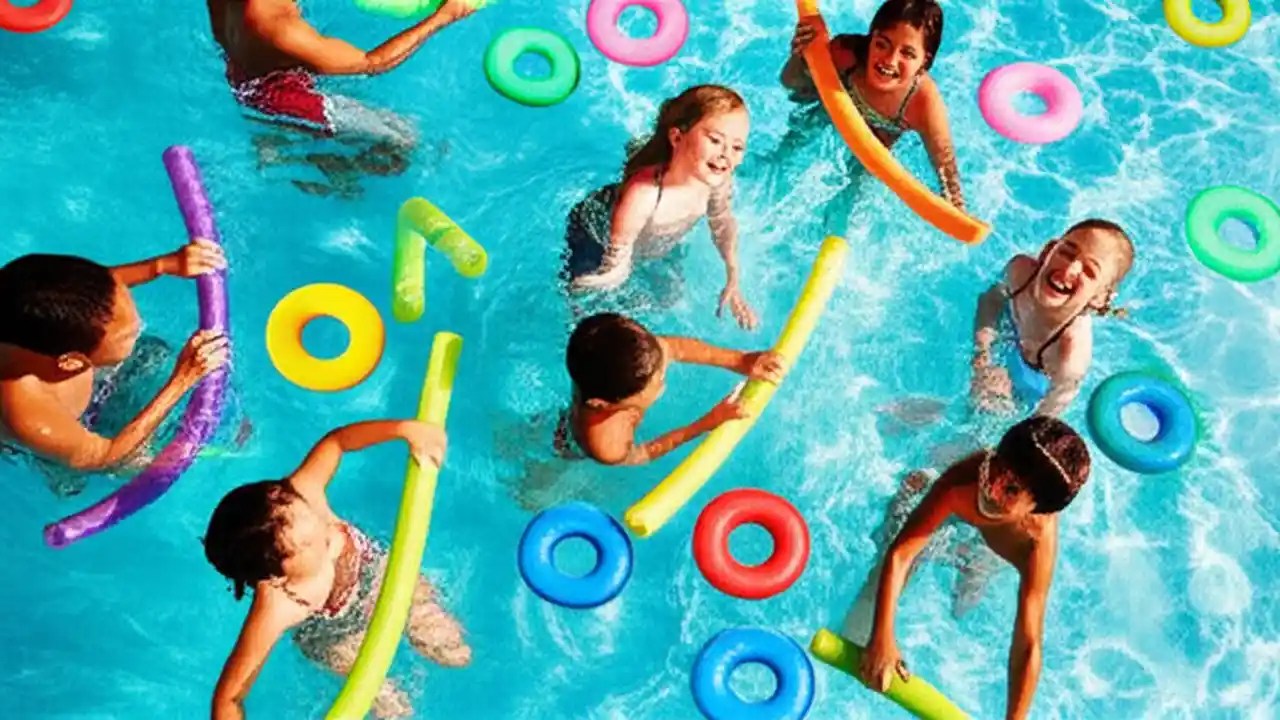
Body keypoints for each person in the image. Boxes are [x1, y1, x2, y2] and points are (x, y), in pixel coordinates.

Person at [205, 419, 469, 720]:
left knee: (452, 652)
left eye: (307, 515)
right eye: (305, 545)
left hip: (377, 574)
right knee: (394, 708)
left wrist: (405, 431)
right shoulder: (277, 606)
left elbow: (337, 441)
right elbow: (228, 698)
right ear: (277, 575)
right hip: (334, 632)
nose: (320, 530)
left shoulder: (304, 492)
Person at [854, 416, 1091, 720]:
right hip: (955, 510)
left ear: (1036, 510)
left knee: (964, 604)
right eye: (996, 464)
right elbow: (902, 552)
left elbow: (1028, 642)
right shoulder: (965, 479)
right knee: (894, 525)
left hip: (995, 548)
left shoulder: (1034, 543)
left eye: (1011, 489)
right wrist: (883, 636)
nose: (992, 485)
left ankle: (972, 561)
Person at [0, 244, 230, 494]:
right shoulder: (30, 417)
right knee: (134, 465)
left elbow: (103, 288)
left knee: (154, 350)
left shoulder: (25, 312)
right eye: (125, 336)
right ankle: (56, 473)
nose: (139, 323)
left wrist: (161, 266)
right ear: (73, 362)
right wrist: (182, 379)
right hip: (60, 438)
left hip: (86, 383)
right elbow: (107, 457)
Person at [206, 0, 479, 196]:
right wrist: (445, 16)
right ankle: (313, 165)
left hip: (244, 73)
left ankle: (283, 141)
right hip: (286, 97)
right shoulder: (281, 28)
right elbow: (373, 63)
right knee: (406, 141)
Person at [564, 85, 759, 329]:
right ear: (677, 137)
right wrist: (601, 281)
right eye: (716, 140)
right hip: (596, 236)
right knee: (587, 316)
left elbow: (722, 221)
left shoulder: (717, 179)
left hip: (657, 243)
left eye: (737, 147)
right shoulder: (645, 193)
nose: (726, 155)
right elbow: (617, 259)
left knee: (669, 300)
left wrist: (733, 274)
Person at [780, 0, 965, 211]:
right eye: (882, 44)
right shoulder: (846, 54)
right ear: (871, 38)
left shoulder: (923, 102)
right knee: (789, 150)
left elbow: (945, 165)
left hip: (876, 138)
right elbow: (791, 83)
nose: (890, 60)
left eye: (907, 53)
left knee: (852, 195)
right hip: (830, 111)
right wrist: (800, 57)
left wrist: (955, 208)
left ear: (924, 61)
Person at [557, 313, 784, 465]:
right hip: (572, 448)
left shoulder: (639, 360)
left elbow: (675, 349)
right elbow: (645, 452)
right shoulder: (607, 444)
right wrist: (706, 423)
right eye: (651, 385)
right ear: (603, 405)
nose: (661, 381)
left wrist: (739, 360)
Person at [972, 219, 1135, 418]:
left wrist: (1005, 407)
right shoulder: (1019, 272)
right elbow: (991, 300)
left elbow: (1044, 420)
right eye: (1066, 253)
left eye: (1090, 272)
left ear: (1099, 298)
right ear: (1048, 250)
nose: (1069, 270)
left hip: (1032, 382)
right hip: (1005, 339)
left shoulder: (1071, 354)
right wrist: (983, 357)